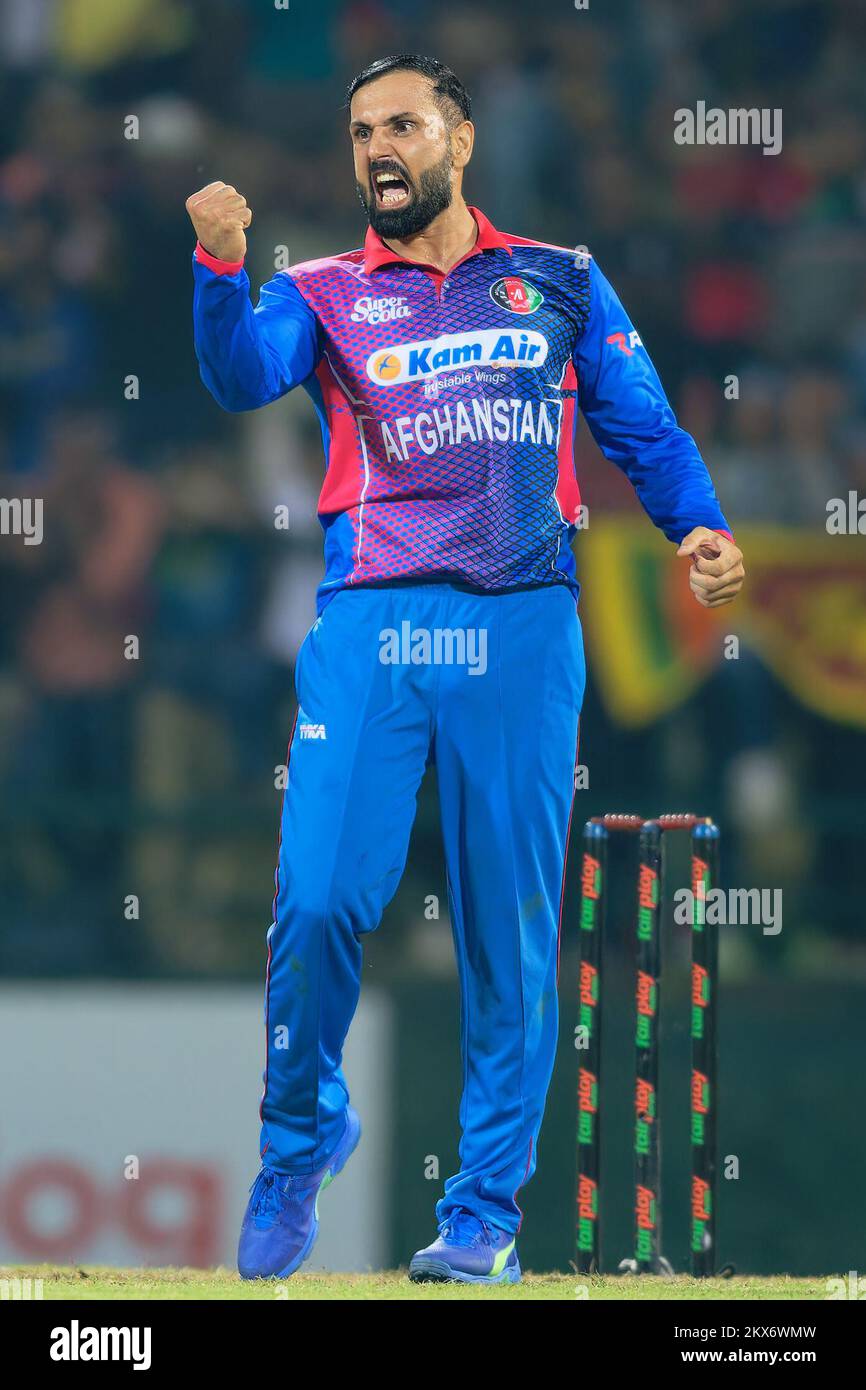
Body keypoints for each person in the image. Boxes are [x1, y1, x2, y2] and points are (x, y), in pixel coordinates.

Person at [187, 54, 745, 1285]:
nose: (375, 148)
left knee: (510, 927)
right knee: (321, 897)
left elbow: (638, 421)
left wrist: (694, 524)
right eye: (356, 132)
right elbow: (236, 375)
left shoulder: (560, 278)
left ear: (459, 138)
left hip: (522, 626)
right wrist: (219, 270)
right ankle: (298, 1143)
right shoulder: (321, 289)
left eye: (399, 124)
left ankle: (482, 1213)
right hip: (372, 624)